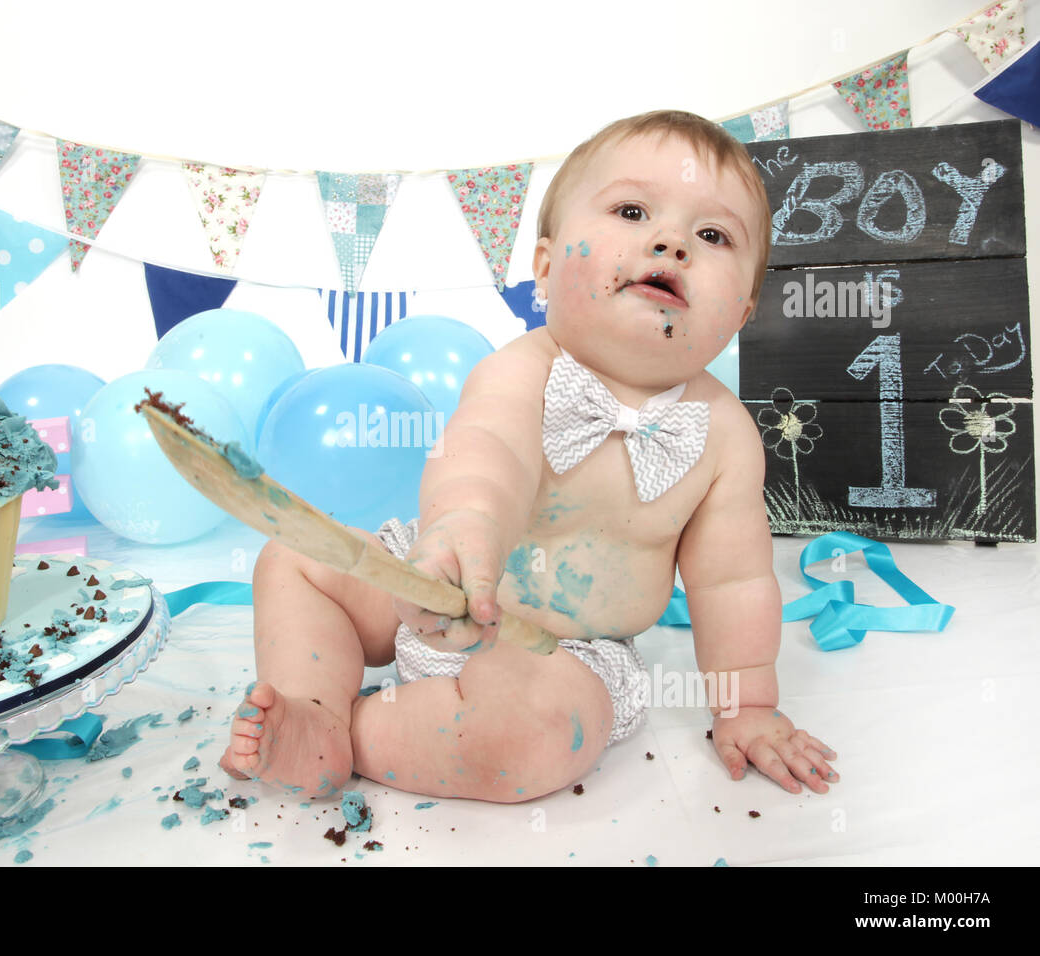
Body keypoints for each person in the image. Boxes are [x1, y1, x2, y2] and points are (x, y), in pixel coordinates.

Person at [219, 110, 838, 802]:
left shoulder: (723, 436)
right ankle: (313, 710)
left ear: (745, 308)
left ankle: (354, 736)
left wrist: (746, 706)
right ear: (545, 265)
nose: (670, 242)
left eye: (713, 235)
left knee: (541, 740)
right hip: (431, 588)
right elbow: (485, 455)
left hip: (560, 656)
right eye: (633, 211)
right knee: (296, 559)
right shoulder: (524, 370)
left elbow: (734, 585)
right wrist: (460, 538)